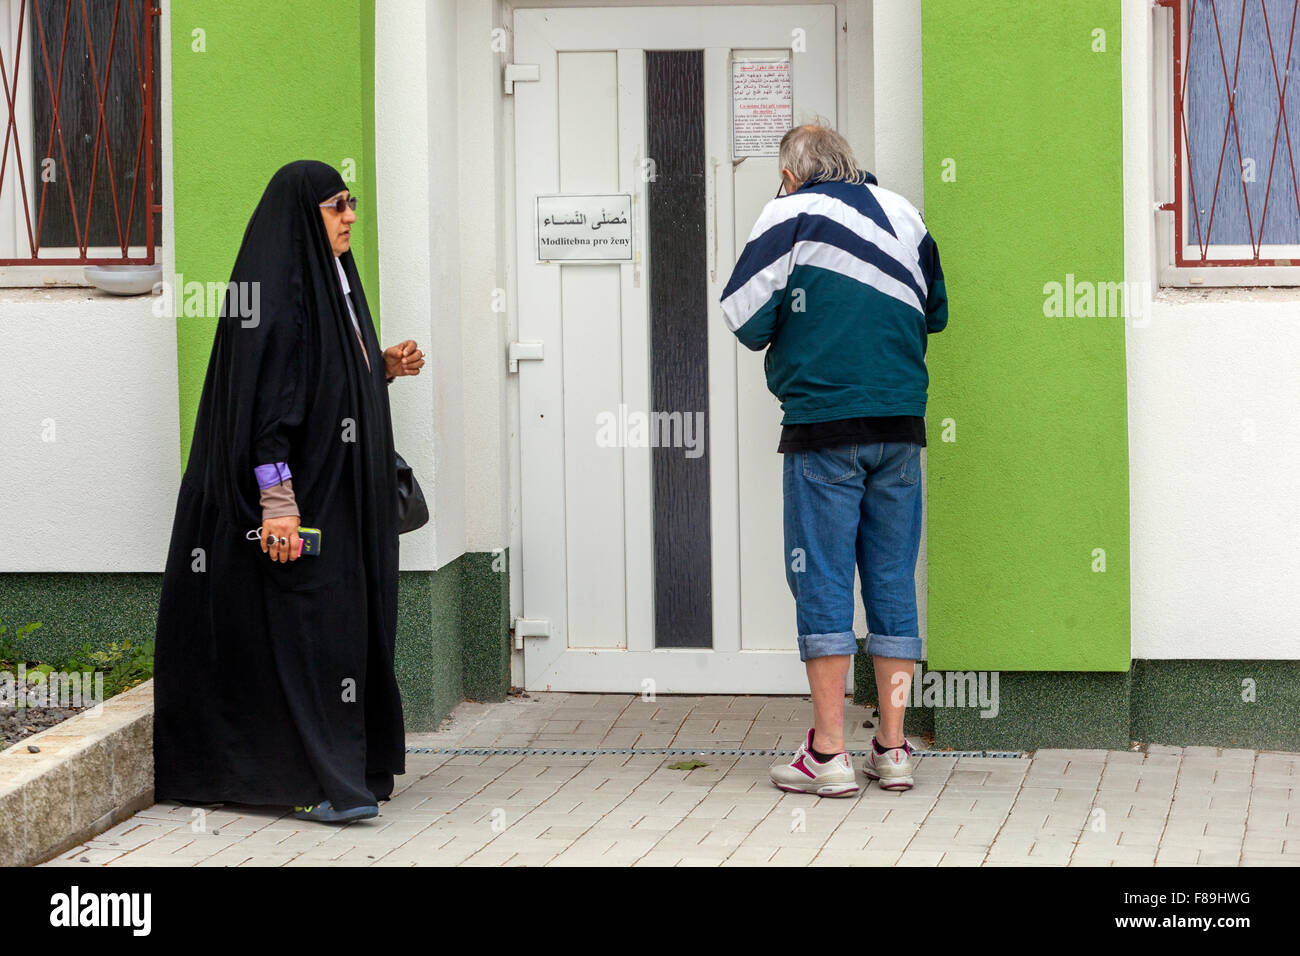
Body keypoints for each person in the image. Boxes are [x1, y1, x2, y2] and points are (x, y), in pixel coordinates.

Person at [153, 160, 425, 823]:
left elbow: (323, 392)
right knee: (316, 640)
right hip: (299, 514)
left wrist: (377, 371)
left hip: (341, 506)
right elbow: (267, 422)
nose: (351, 216)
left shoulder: (334, 291)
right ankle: (322, 783)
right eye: (337, 206)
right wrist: (278, 507)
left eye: (351, 202)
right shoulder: (276, 303)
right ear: (307, 215)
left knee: (340, 637)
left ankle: (345, 771)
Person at [719, 125, 948, 796]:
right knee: (891, 584)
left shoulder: (788, 214)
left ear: (791, 175)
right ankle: (894, 748)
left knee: (821, 581)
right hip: (900, 428)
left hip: (823, 431)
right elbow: (934, 312)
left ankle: (828, 755)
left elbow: (743, 316)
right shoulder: (905, 215)